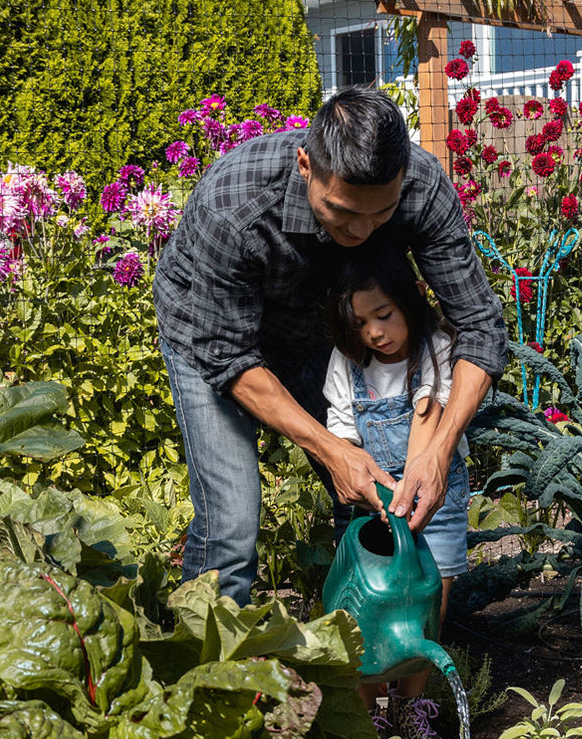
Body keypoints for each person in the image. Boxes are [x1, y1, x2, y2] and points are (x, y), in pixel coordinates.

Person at [154, 87, 507, 605]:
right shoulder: (234, 204)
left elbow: (480, 327)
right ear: (305, 165)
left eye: (380, 214)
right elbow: (229, 357)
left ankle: (364, 654)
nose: (362, 231)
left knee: (375, 497)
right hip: (212, 336)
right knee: (231, 525)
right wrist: (330, 447)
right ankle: (210, 675)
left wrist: (439, 448)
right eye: (341, 211)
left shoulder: (422, 187)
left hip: (327, 333)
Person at [323, 245, 468, 739]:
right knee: (368, 610)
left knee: (428, 605)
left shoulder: (436, 346)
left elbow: (432, 415)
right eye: (360, 323)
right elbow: (342, 435)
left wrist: (410, 489)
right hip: (373, 507)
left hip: (436, 498)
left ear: (409, 301)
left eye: (383, 315)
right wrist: (378, 490)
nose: (374, 332)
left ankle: (412, 708)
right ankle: (373, 715)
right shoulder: (347, 363)